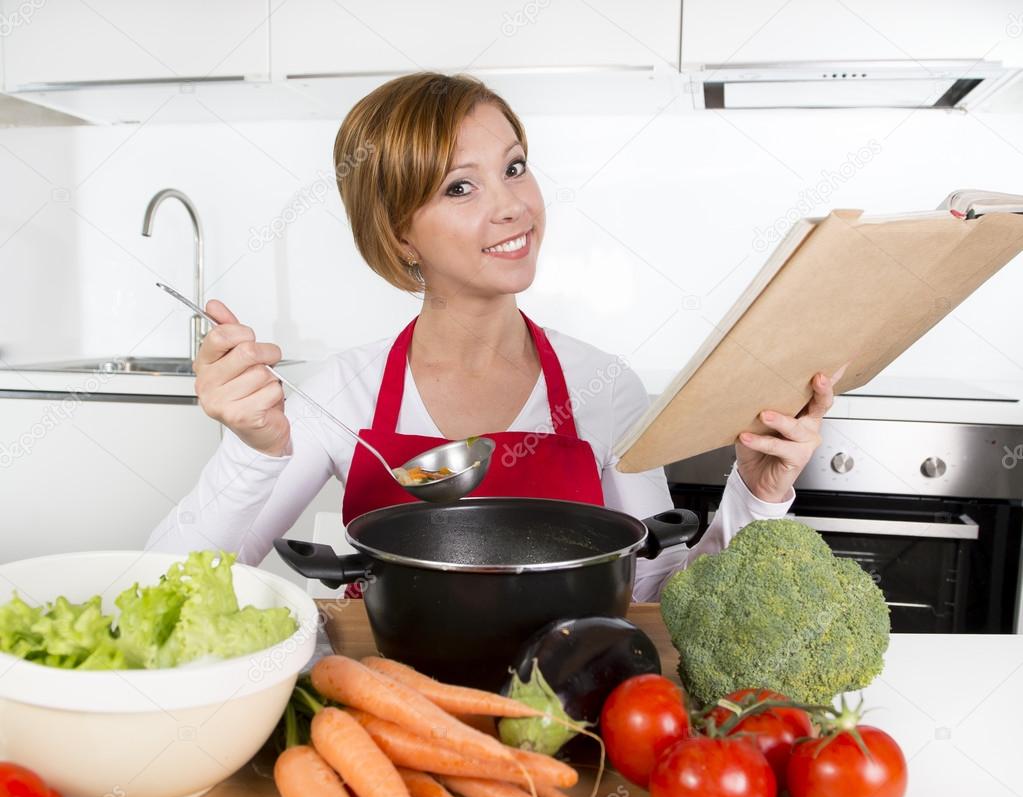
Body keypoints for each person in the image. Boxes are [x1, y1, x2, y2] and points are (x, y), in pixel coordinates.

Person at [146, 72, 840, 601]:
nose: (513, 206)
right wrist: (254, 453)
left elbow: (659, 597)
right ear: (398, 234)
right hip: (386, 697)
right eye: (459, 188)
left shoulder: (603, 388)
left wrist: (755, 494)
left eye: (512, 168)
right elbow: (168, 587)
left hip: (565, 705)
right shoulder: (341, 393)